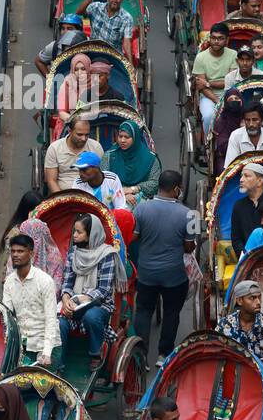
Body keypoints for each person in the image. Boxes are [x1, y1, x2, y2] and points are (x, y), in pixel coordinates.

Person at [132, 171, 196, 367]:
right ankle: (164, 353)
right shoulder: (191, 214)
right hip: (174, 275)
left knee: (143, 311)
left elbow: (134, 237)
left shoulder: (141, 209)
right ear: (177, 189)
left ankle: (141, 355)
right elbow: (190, 247)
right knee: (171, 313)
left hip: (146, 273)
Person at [59, 214, 125, 374]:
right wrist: (66, 298)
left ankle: (95, 354)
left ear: (91, 234)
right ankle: (58, 364)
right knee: (59, 323)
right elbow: (67, 283)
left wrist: (84, 298)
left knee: (91, 316)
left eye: (79, 232)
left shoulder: (107, 255)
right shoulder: (73, 254)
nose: (74, 235)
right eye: (74, 231)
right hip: (74, 303)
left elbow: (103, 289)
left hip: (100, 304)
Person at [3, 233, 59, 366]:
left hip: (46, 345)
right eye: (13, 251)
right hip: (22, 345)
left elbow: (51, 319)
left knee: (42, 386)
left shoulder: (45, 281)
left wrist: (46, 353)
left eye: (20, 251)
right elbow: (7, 316)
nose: (15, 255)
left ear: (31, 254)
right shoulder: (9, 282)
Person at [215, 279, 263, 375]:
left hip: (261, 385)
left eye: (259, 297)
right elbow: (215, 358)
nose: (258, 302)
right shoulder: (225, 325)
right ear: (239, 301)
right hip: (232, 383)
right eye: (252, 298)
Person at [103, 119, 161, 206]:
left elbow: (154, 183)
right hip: (113, 195)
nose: (122, 140)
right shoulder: (109, 156)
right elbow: (104, 180)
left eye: (126, 137)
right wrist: (122, 194)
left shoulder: (150, 159)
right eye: (120, 136)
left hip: (141, 196)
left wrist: (133, 189)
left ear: (135, 138)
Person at [192, 23, 237, 134]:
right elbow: (201, 87)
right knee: (208, 116)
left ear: (227, 40)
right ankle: (209, 146)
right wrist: (217, 102)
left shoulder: (233, 55)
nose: (216, 41)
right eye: (213, 38)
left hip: (229, 94)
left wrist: (208, 83)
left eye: (220, 38)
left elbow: (230, 81)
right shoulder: (201, 57)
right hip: (209, 96)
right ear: (210, 38)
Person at [79, 0, 134, 66]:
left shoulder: (126, 18)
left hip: (113, 55)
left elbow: (127, 42)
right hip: (93, 51)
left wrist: (130, 65)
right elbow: (79, 12)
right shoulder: (95, 7)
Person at [223, 99, 263, 168]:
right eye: (247, 120)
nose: (251, 124)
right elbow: (230, 168)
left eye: (255, 120)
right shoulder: (235, 136)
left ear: (262, 120)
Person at [54, 53, 93, 121]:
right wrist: (75, 122)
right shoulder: (67, 84)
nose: (79, 72)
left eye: (83, 69)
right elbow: (62, 112)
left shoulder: (95, 82)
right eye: (76, 69)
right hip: (71, 121)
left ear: (88, 68)